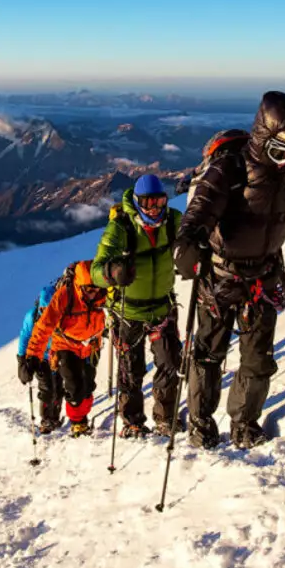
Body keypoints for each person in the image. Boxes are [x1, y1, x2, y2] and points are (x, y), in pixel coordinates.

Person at [174, 91, 285, 450]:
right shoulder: (228, 168)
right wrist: (187, 244)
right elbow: (198, 213)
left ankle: (244, 424)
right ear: (266, 133)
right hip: (220, 278)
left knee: (257, 359)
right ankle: (201, 423)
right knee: (209, 355)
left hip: (262, 276)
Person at [91, 174, 185, 438]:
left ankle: (165, 418)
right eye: (148, 203)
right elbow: (96, 270)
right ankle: (132, 421)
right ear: (137, 202)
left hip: (162, 309)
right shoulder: (121, 228)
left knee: (169, 364)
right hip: (128, 311)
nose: (154, 209)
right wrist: (112, 271)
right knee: (130, 371)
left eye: (159, 202)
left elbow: (192, 240)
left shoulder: (174, 221)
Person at [24, 260, 108, 436]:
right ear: (80, 285)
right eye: (89, 290)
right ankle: (78, 422)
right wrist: (32, 356)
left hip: (91, 346)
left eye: (96, 289)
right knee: (74, 387)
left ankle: (81, 414)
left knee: (87, 386)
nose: (93, 294)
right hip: (65, 345)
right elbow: (43, 326)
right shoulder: (65, 295)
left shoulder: (102, 293)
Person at [16, 271, 69, 434]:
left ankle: (54, 417)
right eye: (44, 309)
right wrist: (22, 362)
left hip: (57, 354)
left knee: (59, 387)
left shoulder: (61, 315)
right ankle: (47, 420)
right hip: (40, 356)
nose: (46, 313)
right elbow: (25, 338)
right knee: (47, 387)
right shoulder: (31, 317)